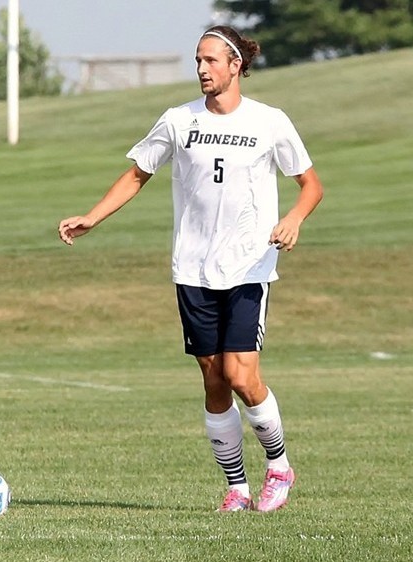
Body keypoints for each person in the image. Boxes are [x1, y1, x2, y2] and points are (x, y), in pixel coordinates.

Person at [57, 25, 324, 512]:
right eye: (197, 61)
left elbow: (311, 185)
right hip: (192, 268)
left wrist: (293, 218)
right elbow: (139, 172)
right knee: (213, 377)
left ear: (235, 65)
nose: (201, 69)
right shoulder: (178, 121)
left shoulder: (270, 122)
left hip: (248, 265)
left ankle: (279, 465)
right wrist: (92, 216)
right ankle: (238, 488)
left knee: (241, 376)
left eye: (210, 61)